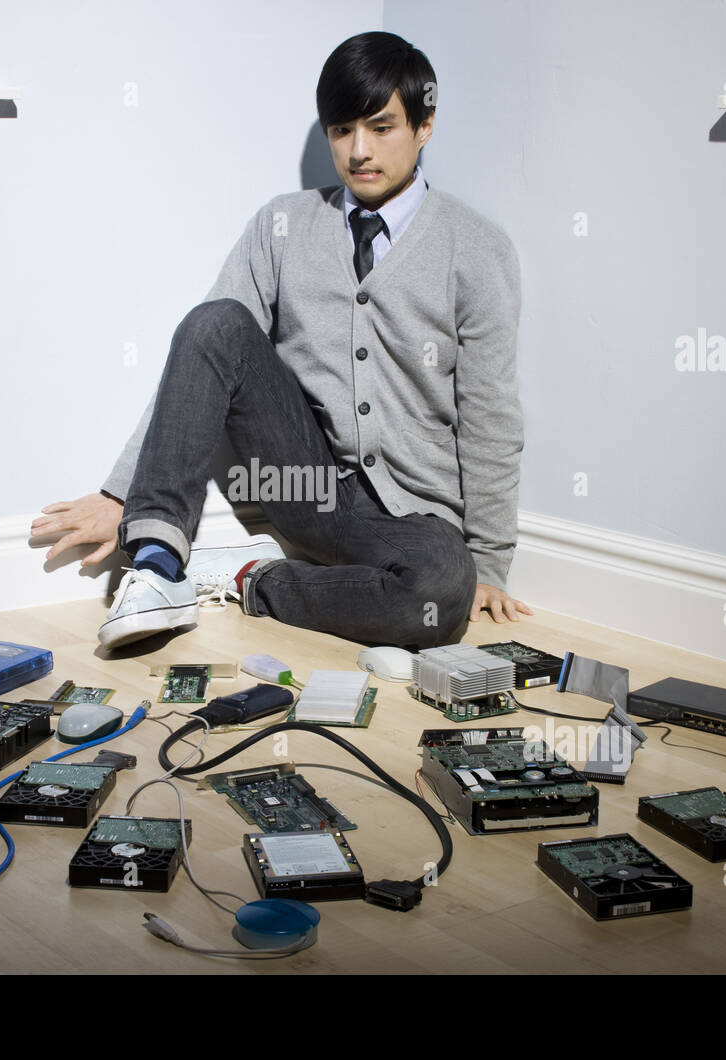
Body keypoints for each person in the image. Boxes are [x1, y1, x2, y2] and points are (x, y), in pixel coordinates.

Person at [33, 30, 531, 651]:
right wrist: (122, 494)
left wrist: (489, 562)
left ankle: (250, 577)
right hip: (303, 486)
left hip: (414, 513)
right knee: (215, 319)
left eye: (381, 128)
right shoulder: (283, 224)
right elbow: (204, 353)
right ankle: (159, 565)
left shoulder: (478, 248)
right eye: (341, 131)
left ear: (424, 125)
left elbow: (490, 413)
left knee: (438, 593)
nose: (358, 151)